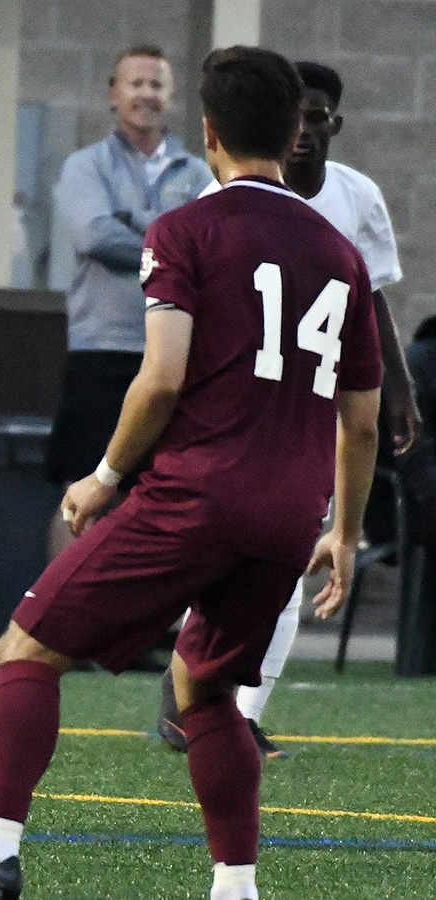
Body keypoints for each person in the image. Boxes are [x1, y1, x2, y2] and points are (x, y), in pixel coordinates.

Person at [0, 46, 382, 900]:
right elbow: (363, 420)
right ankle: (236, 890)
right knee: (206, 690)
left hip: (199, 493)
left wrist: (106, 475)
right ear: (291, 131)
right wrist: (343, 530)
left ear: (209, 133)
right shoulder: (340, 253)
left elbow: (160, 378)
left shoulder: (185, 229)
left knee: (28, 649)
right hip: (290, 514)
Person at [155, 59, 419, 760]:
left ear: (333, 123)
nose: (304, 129)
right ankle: (193, 681)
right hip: (238, 398)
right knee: (222, 545)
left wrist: (400, 385)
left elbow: (374, 299)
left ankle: (238, 711)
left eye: (318, 116)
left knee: (289, 556)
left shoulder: (355, 198)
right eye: (293, 114)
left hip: (318, 399)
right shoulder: (220, 196)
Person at [43, 45, 214, 560]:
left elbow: (213, 246)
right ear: (113, 94)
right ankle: (59, 628)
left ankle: (135, 629)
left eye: (156, 85)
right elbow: (94, 237)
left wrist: (131, 224)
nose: (146, 94)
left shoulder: (198, 174)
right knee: (85, 492)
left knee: (166, 498)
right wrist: (172, 244)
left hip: (176, 358)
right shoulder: (84, 166)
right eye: (135, 83)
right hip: (103, 353)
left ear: (171, 96)